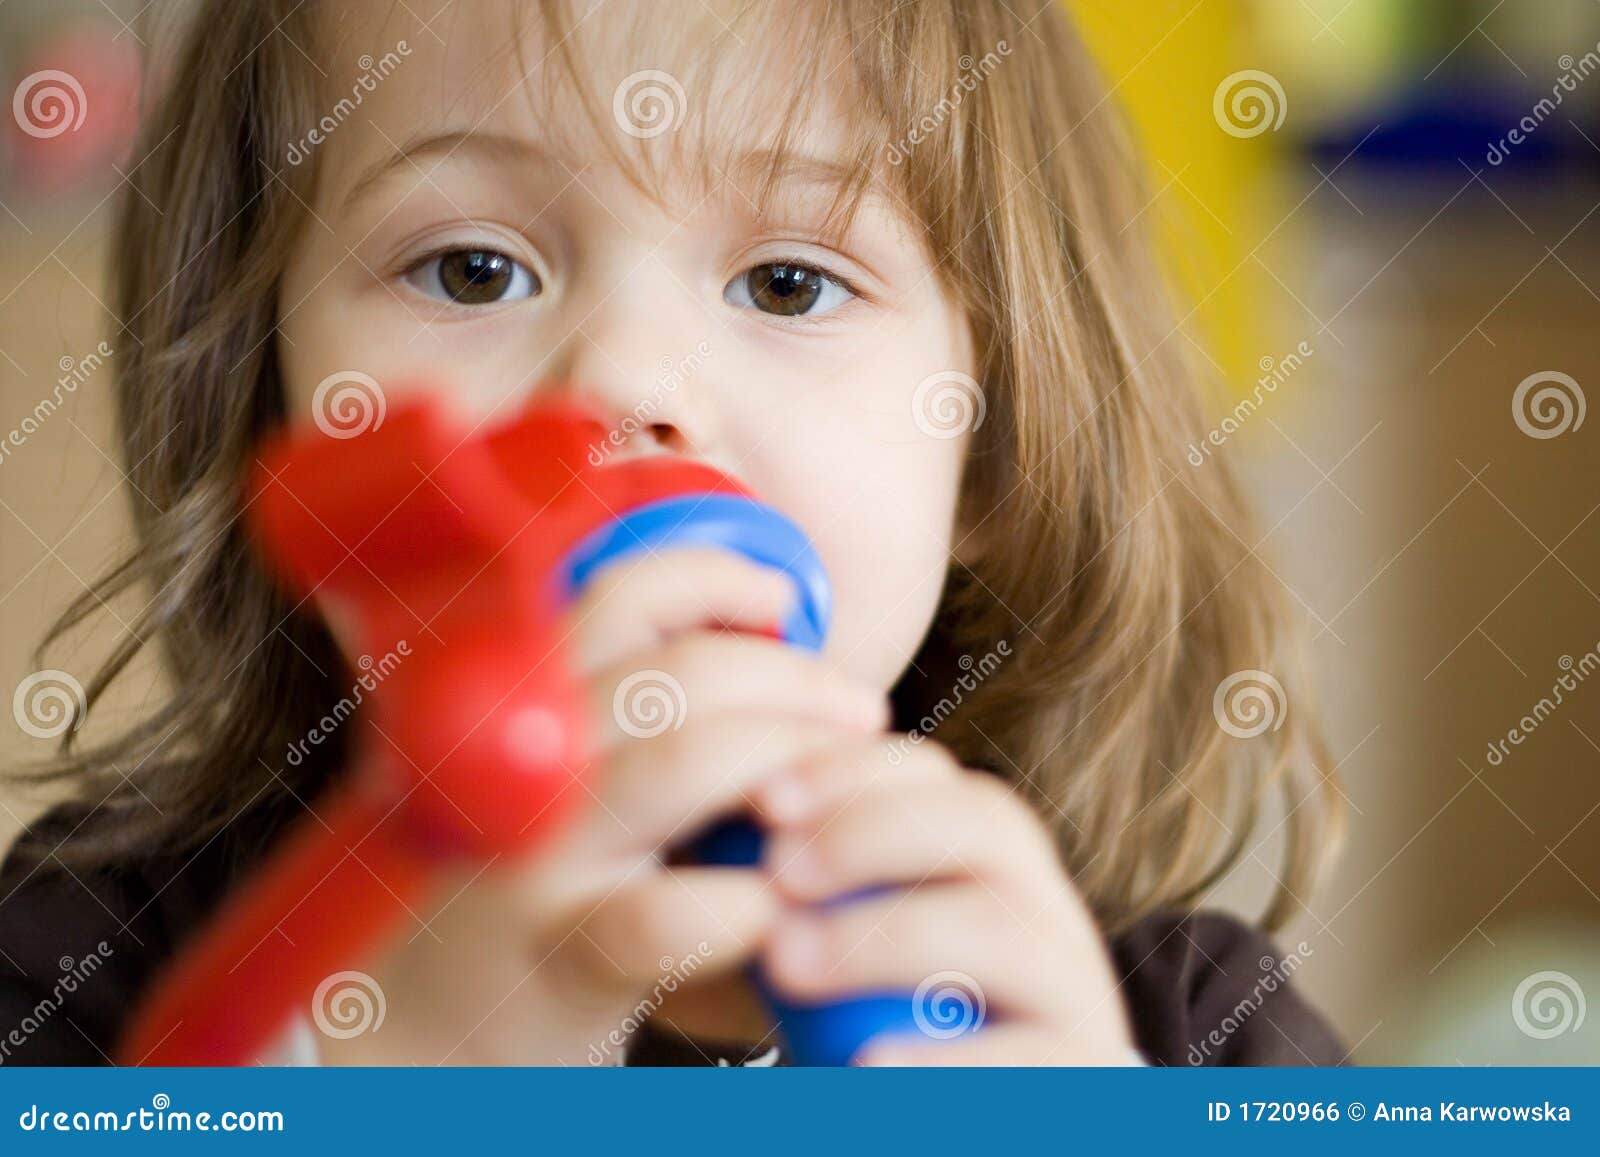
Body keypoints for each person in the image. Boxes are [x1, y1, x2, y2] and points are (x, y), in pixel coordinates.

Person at [0, 0, 1345, 1067]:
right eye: (474, 268)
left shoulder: (1189, 1036)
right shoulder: (92, 958)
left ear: (990, 455)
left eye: (788, 281)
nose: (624, 383)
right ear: (268, 403)